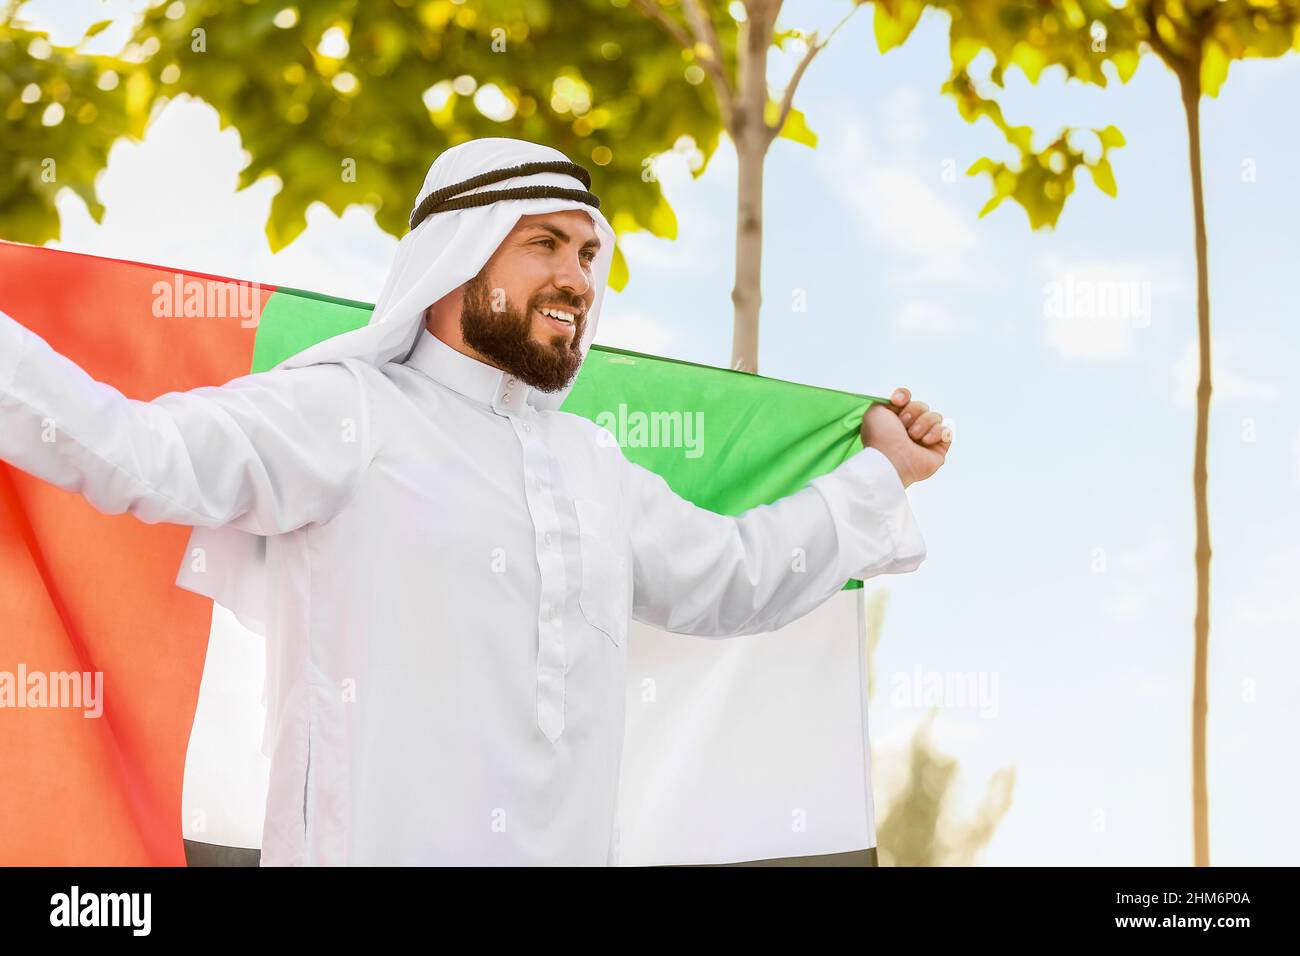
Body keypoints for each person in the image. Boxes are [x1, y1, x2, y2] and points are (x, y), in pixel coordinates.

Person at [0, 137, 952, 865]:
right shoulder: (346, 410)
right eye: (544, 244)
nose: (577, 278)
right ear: (455, 259)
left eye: (589, 255)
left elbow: (738, 577)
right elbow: (138, 453)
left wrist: (881, 473)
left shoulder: (593, 467)